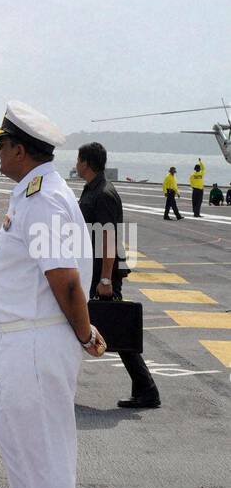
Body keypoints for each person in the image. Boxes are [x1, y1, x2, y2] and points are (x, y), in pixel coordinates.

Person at [0, 101, 106, 488]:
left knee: (48, 455)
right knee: (21, 449)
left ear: (20, 149)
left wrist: (82, 334)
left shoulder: (46, 200)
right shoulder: (29, 193)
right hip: (18, 339)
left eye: (1, 145)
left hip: (37, 341)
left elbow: (66, 281)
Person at [77, 142, 160, 410]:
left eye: (79, 160)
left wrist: (104, 279)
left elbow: (108, 237)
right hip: (94, 268)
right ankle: (146, 389)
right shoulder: (92, 189)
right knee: (113, 327)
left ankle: (147, 390)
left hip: (105, 271)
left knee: (117, 327)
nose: (76, 164)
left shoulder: (104, 194)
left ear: (86, 163)